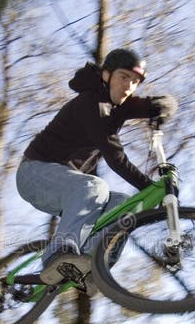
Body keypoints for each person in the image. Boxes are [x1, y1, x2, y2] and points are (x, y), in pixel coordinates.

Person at [16, 47, 178, 285]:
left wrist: (166, 106)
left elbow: (156, 103)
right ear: (106, 75)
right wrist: (150, 188)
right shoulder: (91, 103)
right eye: (124, 77)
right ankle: (58, 255)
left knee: (123, 205)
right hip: (34, 173)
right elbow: (115, 159)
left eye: (135, 82)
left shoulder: (120, 104)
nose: (129, 86)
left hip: (63, 184)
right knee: (94, 188)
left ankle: (93, 269)